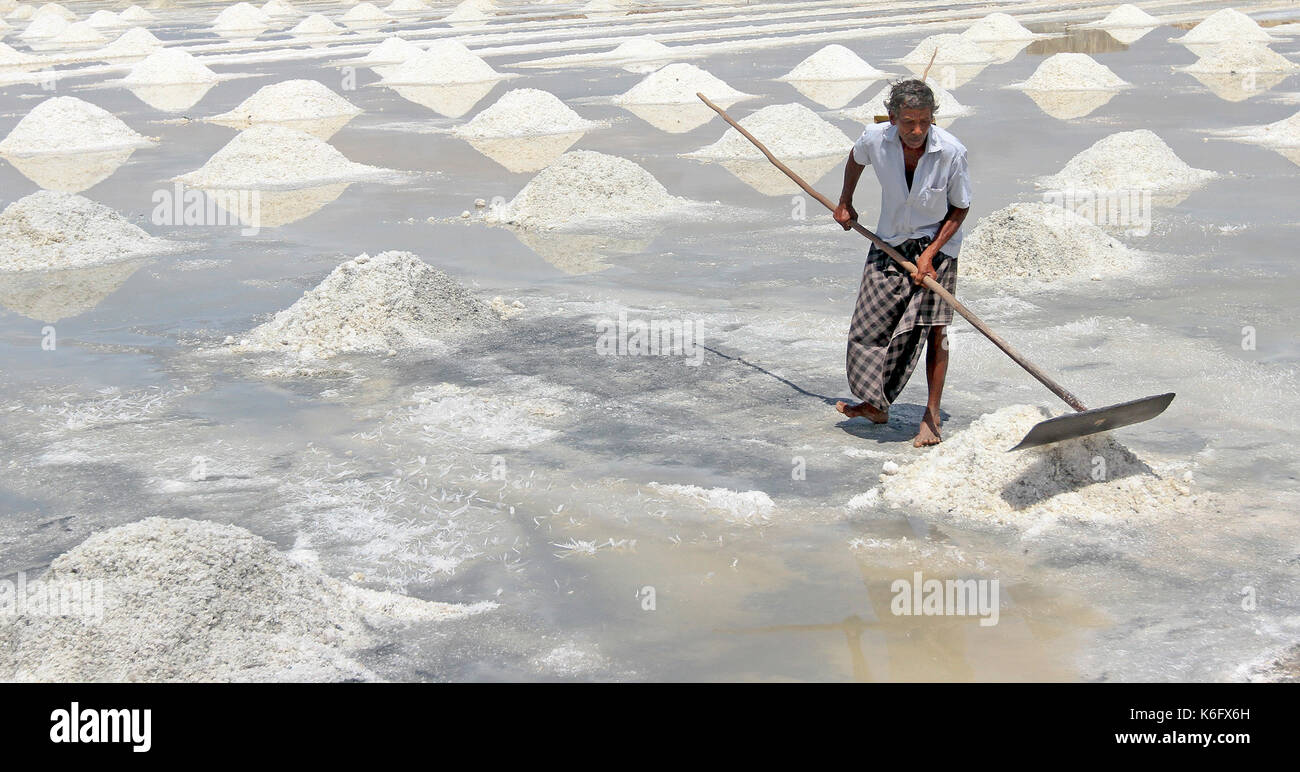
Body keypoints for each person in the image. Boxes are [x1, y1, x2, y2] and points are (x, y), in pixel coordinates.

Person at [832, 78, 971, 447]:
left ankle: (932, 414)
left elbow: (960, 207)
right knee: (869, 325)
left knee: (934, 330)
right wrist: (845, 201)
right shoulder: (875, 138)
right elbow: (855, 158)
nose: (916, 131)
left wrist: (929, 254)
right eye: (908, 121)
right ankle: (876, 404)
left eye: (924, 121)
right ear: (892, 117)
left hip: (938, 248)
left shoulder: (951, 152)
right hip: (890, 240)